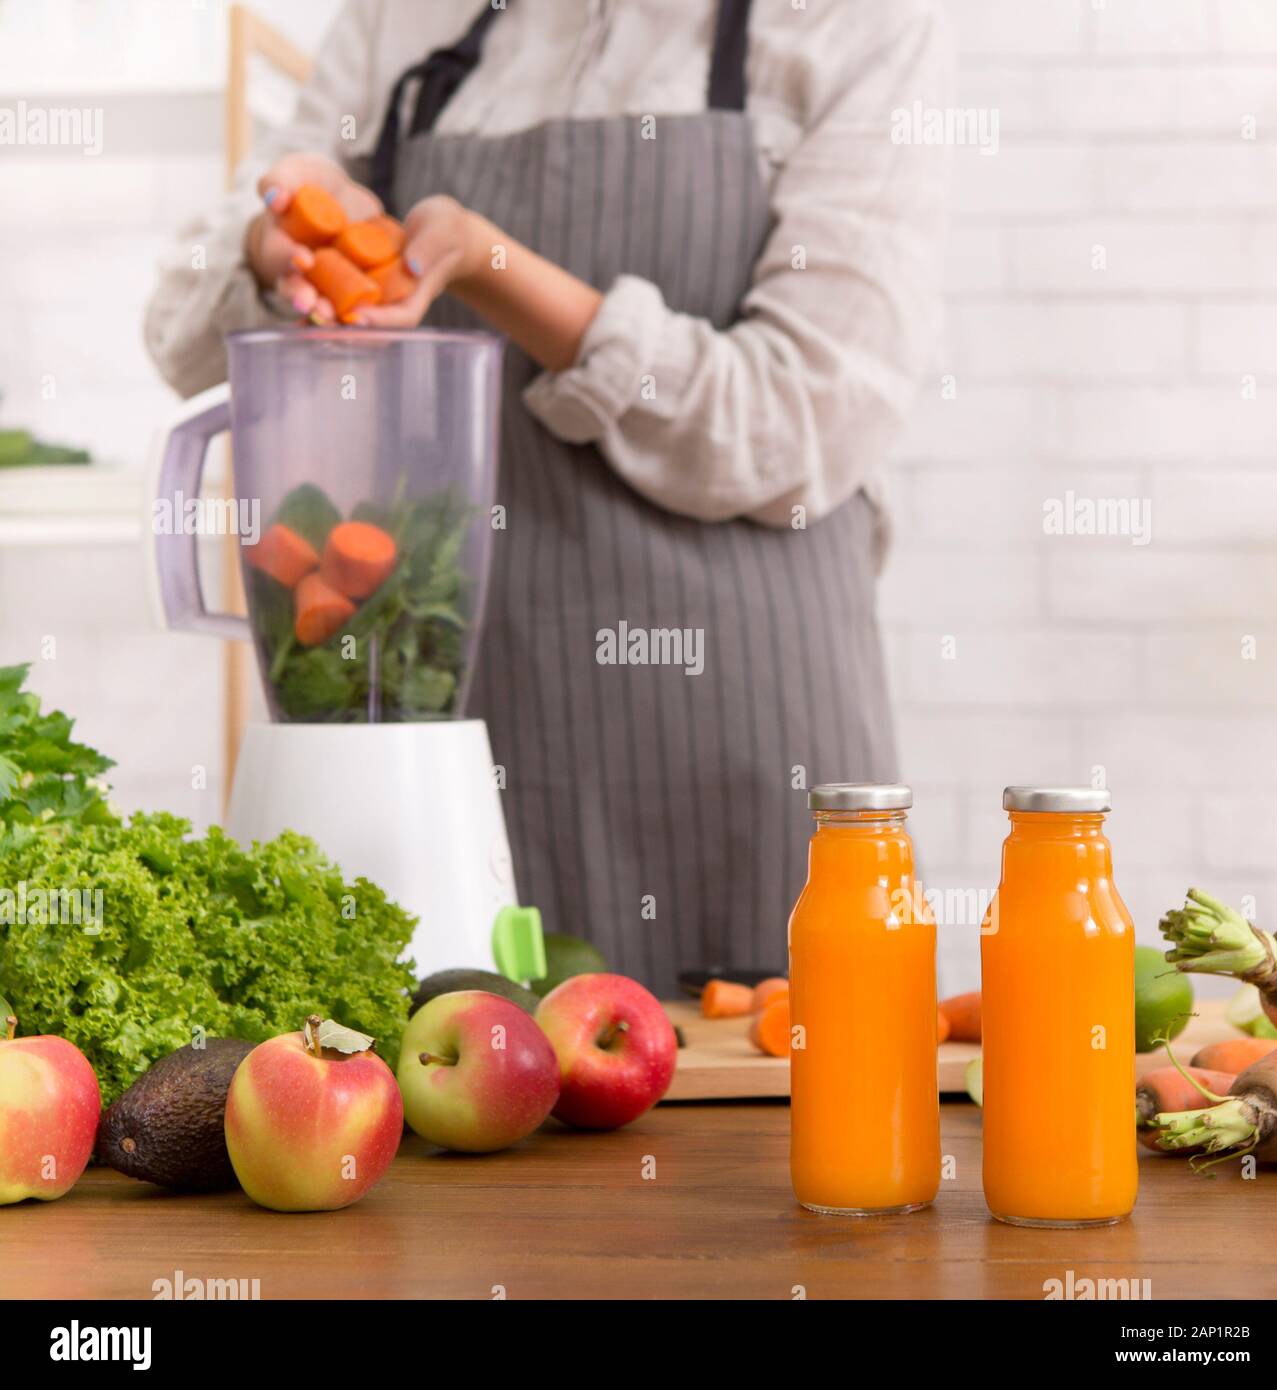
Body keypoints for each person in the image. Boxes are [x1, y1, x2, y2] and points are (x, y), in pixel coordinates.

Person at [145, 0, 951, 996]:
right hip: (450, 747)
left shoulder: (848, 20)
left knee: (771, 1125)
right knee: (458, 1098)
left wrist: (493, 271)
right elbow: (183, 335)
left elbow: (802, 416)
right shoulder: (405, 20)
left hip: (741, 735)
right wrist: (283, 248)